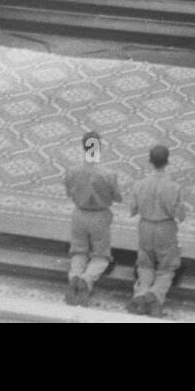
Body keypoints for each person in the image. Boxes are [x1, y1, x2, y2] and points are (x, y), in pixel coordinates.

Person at [62, 131, 122, 306]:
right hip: (100, 216)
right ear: (99, 148)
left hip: (79, 214)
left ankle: (74, 276)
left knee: (79, 251)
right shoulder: (108, 174)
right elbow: (117, 197)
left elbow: (68, 193)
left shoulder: (71, 171)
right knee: (101, 255)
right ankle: (87, 280)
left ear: (83, 147)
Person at [128, 144, 186, 317]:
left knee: (145, 264)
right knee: (167, 267)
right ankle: (155, 295)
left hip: (145, 226)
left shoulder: (139, 185)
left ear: (150, 161)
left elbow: (132, 210)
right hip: (165, 227)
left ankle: (140, 294)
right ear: (167, 162)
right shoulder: (174, 187)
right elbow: (180, 215)